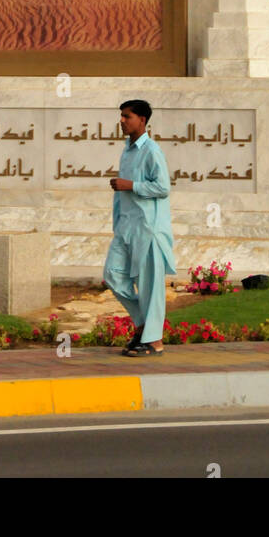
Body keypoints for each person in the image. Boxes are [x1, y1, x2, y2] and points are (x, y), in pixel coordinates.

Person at [102, 99, 176, 356]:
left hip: (148, 228)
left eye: (127, 116)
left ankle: (154, 341)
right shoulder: (127, 150)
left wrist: (131, 185)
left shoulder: (152, 151)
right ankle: (144, 325)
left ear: (142, 120)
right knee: (112, 274)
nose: (122, 121)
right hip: (126, 227)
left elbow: (163, 187)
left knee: (149, 286)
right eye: (121, 116)